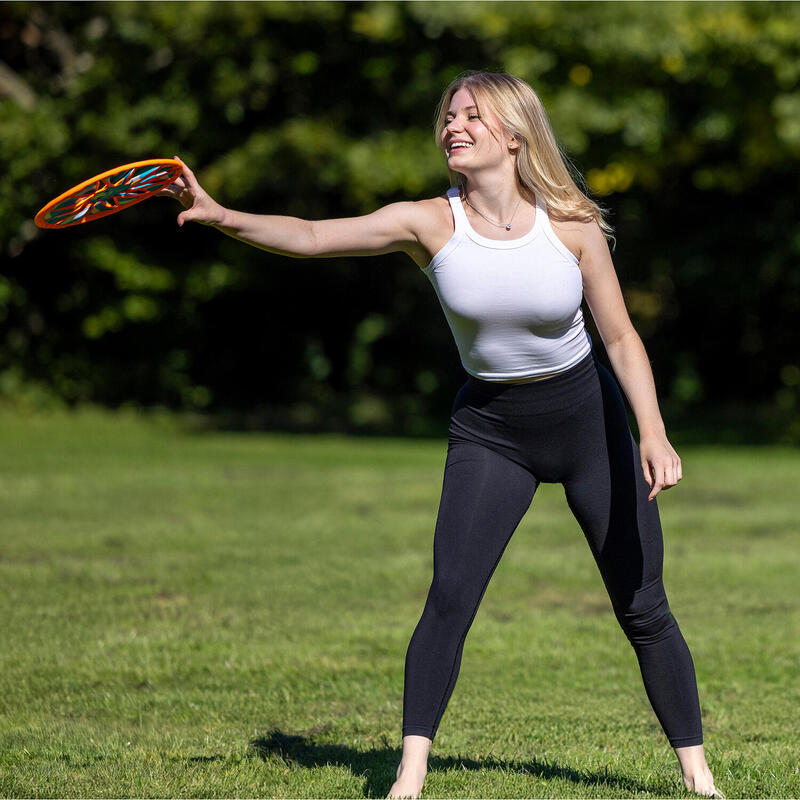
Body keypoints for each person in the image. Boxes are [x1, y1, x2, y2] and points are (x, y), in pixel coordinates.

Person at [159, 71, 724, 800]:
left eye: (472, 116)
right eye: (449, 116)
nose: (453, 126)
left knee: (643, 604)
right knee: (450, 598)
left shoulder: (572, 226)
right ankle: (410, 775)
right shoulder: (428, 222)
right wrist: (222, 214)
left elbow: (619, 336)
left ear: (514, 136)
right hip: (492, 430)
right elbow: (313, 236)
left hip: (589, 424)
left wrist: (652, 431)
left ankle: (698, 776)